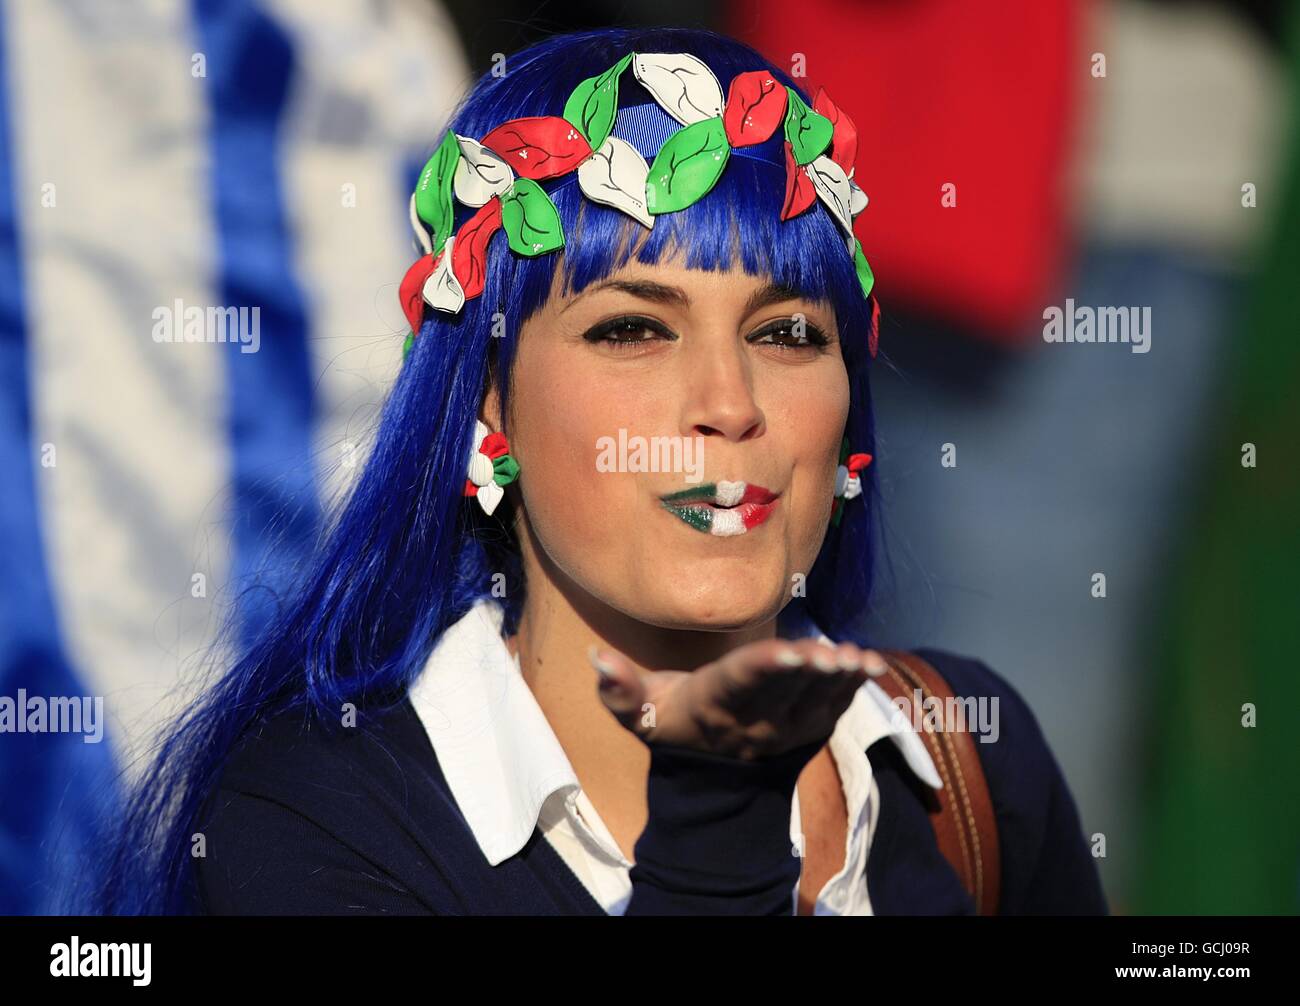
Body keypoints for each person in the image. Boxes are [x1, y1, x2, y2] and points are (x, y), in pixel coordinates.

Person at [95, 25, 1107, 916]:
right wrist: (719, 826)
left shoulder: (970, 765)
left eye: (788, 332)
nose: (728, 401)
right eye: (632, 328)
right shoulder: (315, 826)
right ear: (488, 404)